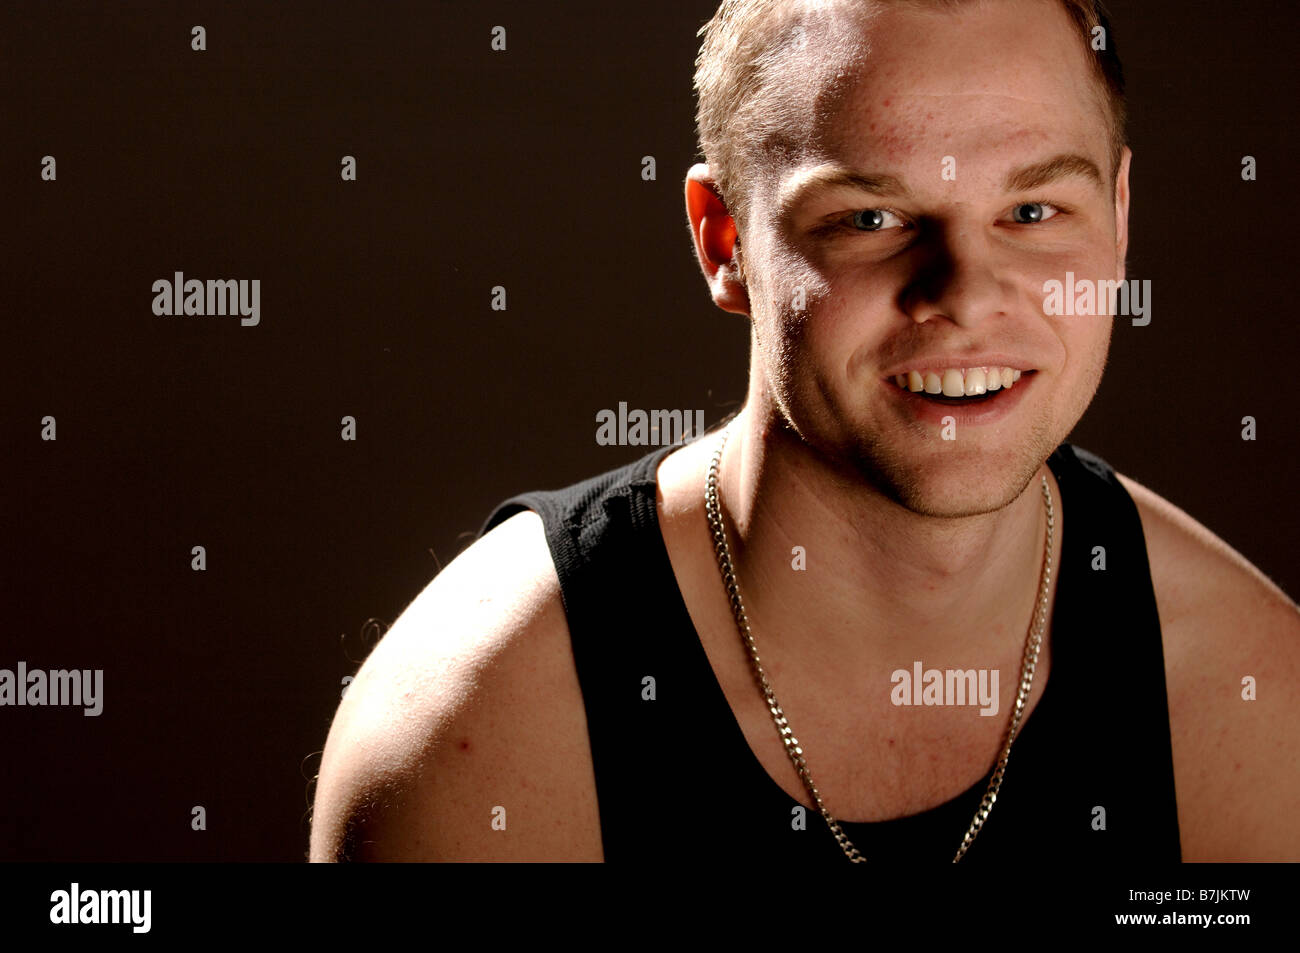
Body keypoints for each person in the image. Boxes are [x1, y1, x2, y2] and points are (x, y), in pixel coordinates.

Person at [308, 0, 1300, 863]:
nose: (963, 294)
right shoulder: (484, 728)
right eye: (869, 218)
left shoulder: (1249, 698)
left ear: (1118, 216)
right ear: (724, 241)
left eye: (1033, 210)